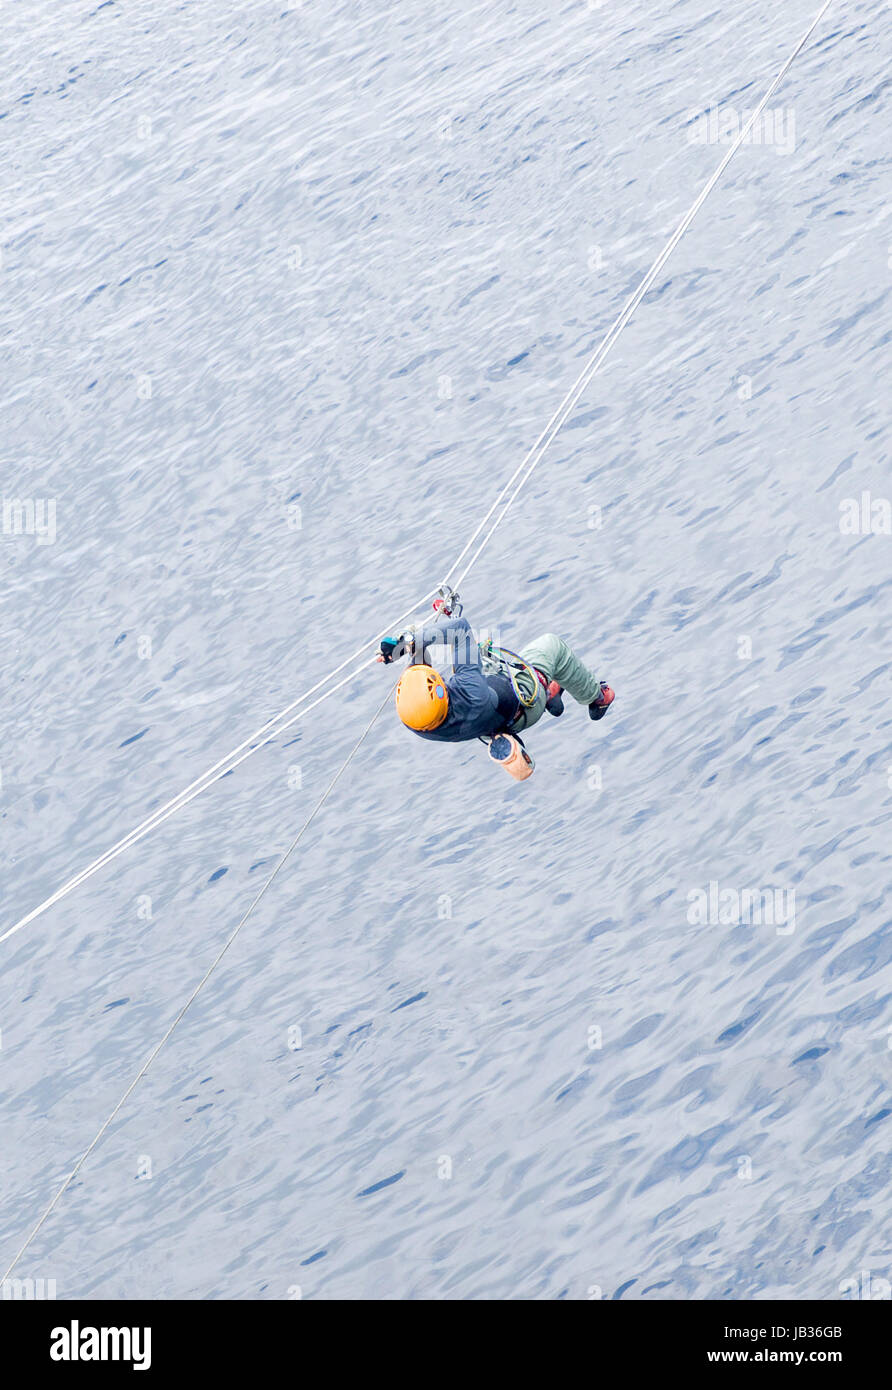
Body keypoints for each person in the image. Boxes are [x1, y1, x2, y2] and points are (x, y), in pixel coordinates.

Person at [378, 604, 614, 744]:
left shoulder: (415, 719)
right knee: (552, 646)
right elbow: (460, 629)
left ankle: (552, 693)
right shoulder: (470, 691)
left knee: (478, 657)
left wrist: (401, 645)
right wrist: (411, 639)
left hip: (491, 717)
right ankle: (596, 698)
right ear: (442, 696)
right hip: (523, 702)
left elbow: (421, 664)